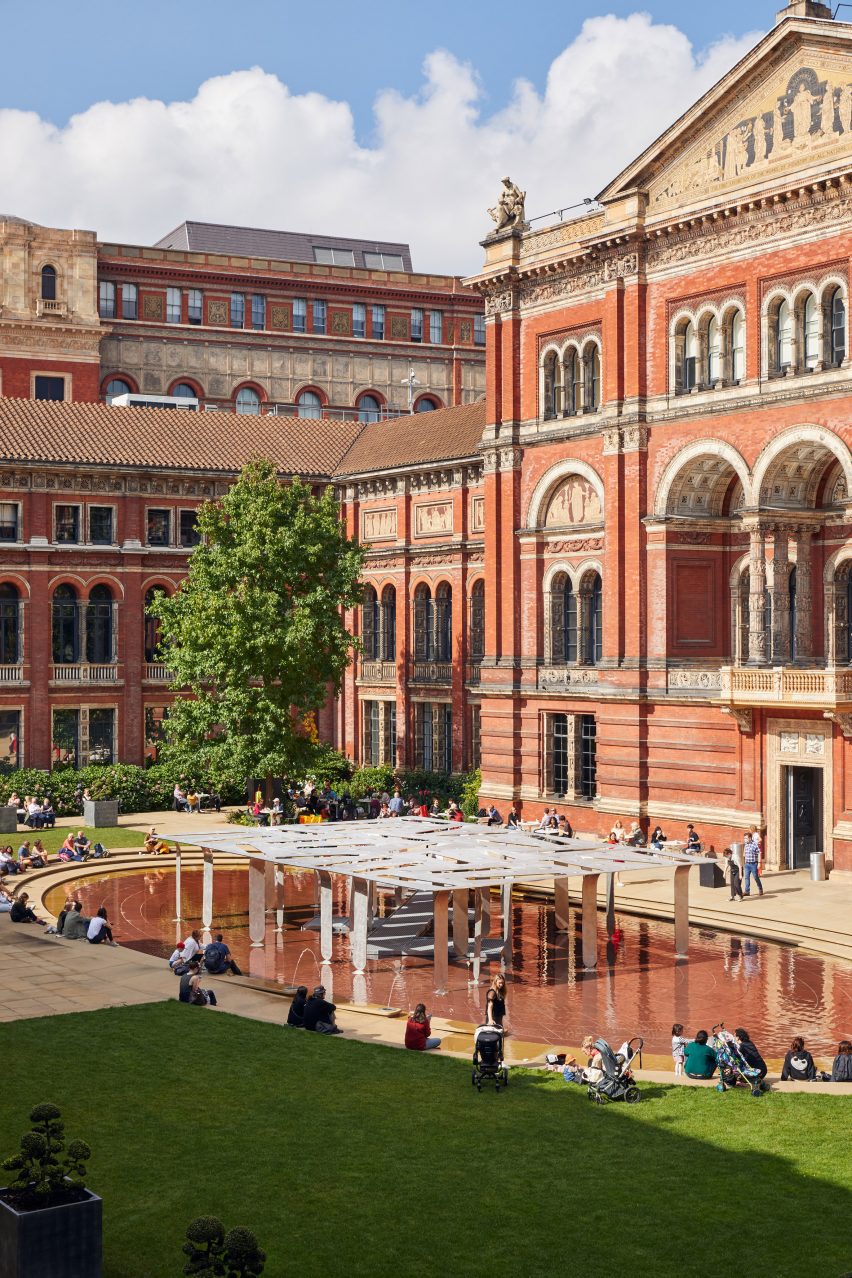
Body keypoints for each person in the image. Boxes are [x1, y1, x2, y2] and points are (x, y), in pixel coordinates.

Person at [743, 830, 764, 897]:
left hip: (753, 864)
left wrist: (759, 863)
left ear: (749, 838)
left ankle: (760, 889)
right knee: (746, 877)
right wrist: (744, 861)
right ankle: (747, 891)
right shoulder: (746, 844)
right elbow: (744, 853)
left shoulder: (754, 844)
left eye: (746, 838)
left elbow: (759, 853)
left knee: (756, 877)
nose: (744, 839)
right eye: (744, 838)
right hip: (747, 864)